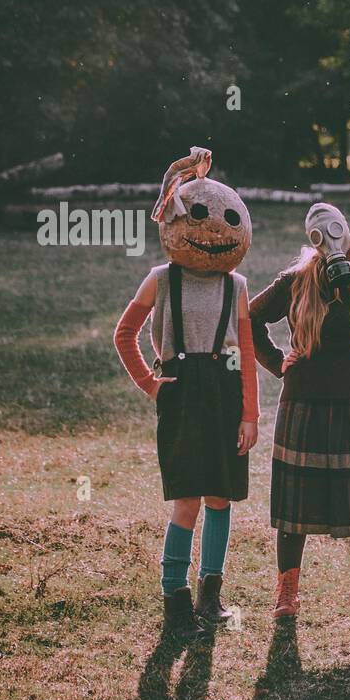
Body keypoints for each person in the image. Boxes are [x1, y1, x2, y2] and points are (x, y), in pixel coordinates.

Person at [113, 147, 259, 636]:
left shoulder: (236, 285)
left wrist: (250, 415)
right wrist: (150, 384)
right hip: (181, 392)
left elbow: (246, 354)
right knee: (187, 501)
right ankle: (174, 599)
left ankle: (210, 595)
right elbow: (124, 334)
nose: (213, 232)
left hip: (225, 393)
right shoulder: (160, 279)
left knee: (220, 497)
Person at [249, 203, 350, 619]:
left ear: (347, 229)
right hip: (305, 399)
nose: (330, 240)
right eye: (319, 235)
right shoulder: (296, 281)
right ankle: (287, 593)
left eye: (334, 229)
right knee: (294, 503)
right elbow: (249, 318)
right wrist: (277, 361)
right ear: (311, 242)